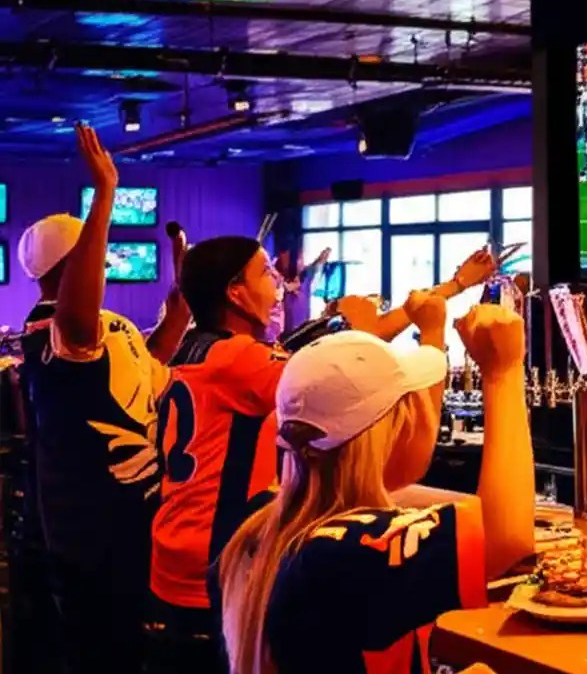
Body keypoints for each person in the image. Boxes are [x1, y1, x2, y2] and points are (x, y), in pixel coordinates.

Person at [148, 237, 496, 670]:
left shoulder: (197, 348)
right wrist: (434, 327)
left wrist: (452, 286)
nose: (277, 285)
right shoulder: (240, 359)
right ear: (236, 292)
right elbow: (339, 379)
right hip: (217, 561)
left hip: (177, 552)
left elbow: (353, 359)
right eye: (265, 274)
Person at [218, 300, 534, 674]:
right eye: (416, 401)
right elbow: (507, 539)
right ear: (391, 432)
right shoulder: (344, 550)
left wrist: (434, 333)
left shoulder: (274, 524)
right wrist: (503, 373)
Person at [16, 123, 190, 674]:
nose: (107, 255)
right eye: (96, 247)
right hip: (91, 539)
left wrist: (184, 288)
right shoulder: (51, 334)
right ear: (70, 266)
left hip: (137, 527)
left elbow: (155, 353)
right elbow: (77, 325)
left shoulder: (111, 329)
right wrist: (105, 196)